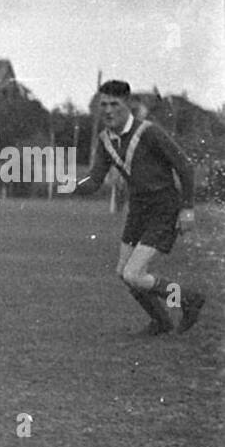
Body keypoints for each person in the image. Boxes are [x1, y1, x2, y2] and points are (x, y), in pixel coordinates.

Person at [67, 79, 204, 334]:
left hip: (163, 208)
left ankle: (186, 298)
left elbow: (184, 166)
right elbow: (95, 180)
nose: (107, 110)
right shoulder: (106, 139)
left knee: (134, 274)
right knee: (124, 272)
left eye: (114, 104)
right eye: (103, 104)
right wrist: (68, 184)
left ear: (128, 104)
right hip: (138, 210)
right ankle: (161, 321)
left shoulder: (149, 132)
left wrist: (187, 208)